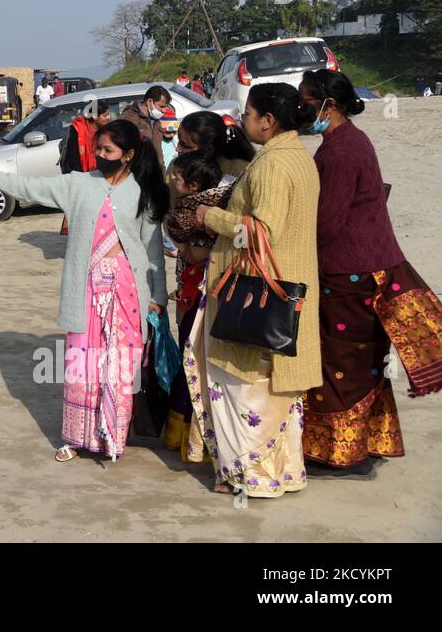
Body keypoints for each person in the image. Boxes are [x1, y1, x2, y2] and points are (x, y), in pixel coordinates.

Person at [0, 118, 170, 462]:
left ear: (127, 155)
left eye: (107, 150)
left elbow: (152, 247)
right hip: (85, 294)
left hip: (127, 296)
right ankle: (76, 436)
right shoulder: (79, 184)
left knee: (119, 366)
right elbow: (31, 187)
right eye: (97, 148)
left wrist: (158, 296)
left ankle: (113, 436)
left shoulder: (142, 192)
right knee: (82, 364)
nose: (99, 155)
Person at [297, 69, 442, 472]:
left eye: (306, 100)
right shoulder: (349, 141)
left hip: (349, 272)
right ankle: (365, 442)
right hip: (367, 268)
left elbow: (327, 223)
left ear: (330, 104)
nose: (302, 108)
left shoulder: (340, 150)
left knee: (341, 364)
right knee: (365, 362)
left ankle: (339, 451)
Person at [186, 83, 320, 498]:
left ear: (268, 120)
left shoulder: (272, 166)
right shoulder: (299, 159)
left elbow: (261, 231)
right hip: (284, 289)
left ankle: (250, 479)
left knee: (242, 386)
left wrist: (211, 216)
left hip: (256, 292)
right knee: (273, 389)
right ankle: (282, 474)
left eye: (247, 115)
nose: (242, 122)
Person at [160, 110, 254, 460]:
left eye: (186, 145)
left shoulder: (241, 175)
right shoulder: (183, 172)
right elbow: (173, 215)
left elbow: (244, 226)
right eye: (179, 144)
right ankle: (183, 433)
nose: (180, 150)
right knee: (189, 344)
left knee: (210, 350)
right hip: (187, 272)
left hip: (223, 273)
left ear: (208, 146)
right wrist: (185, 246)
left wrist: (205, 247)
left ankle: (211, 436)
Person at [119, 85, 174, 172]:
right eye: (161, 106)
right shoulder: (128, 117)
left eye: (165, 107)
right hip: (136, 175)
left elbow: (158, 152)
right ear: (149, 101)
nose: (164, 110)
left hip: (155, 174)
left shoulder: (157, 120)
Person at [61, 100, 111, 175]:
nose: (108, 118)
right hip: (80, 175)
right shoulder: (78, 130)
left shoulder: (106, 130)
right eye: (105, 115)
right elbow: (73, 159)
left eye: (108, 115)